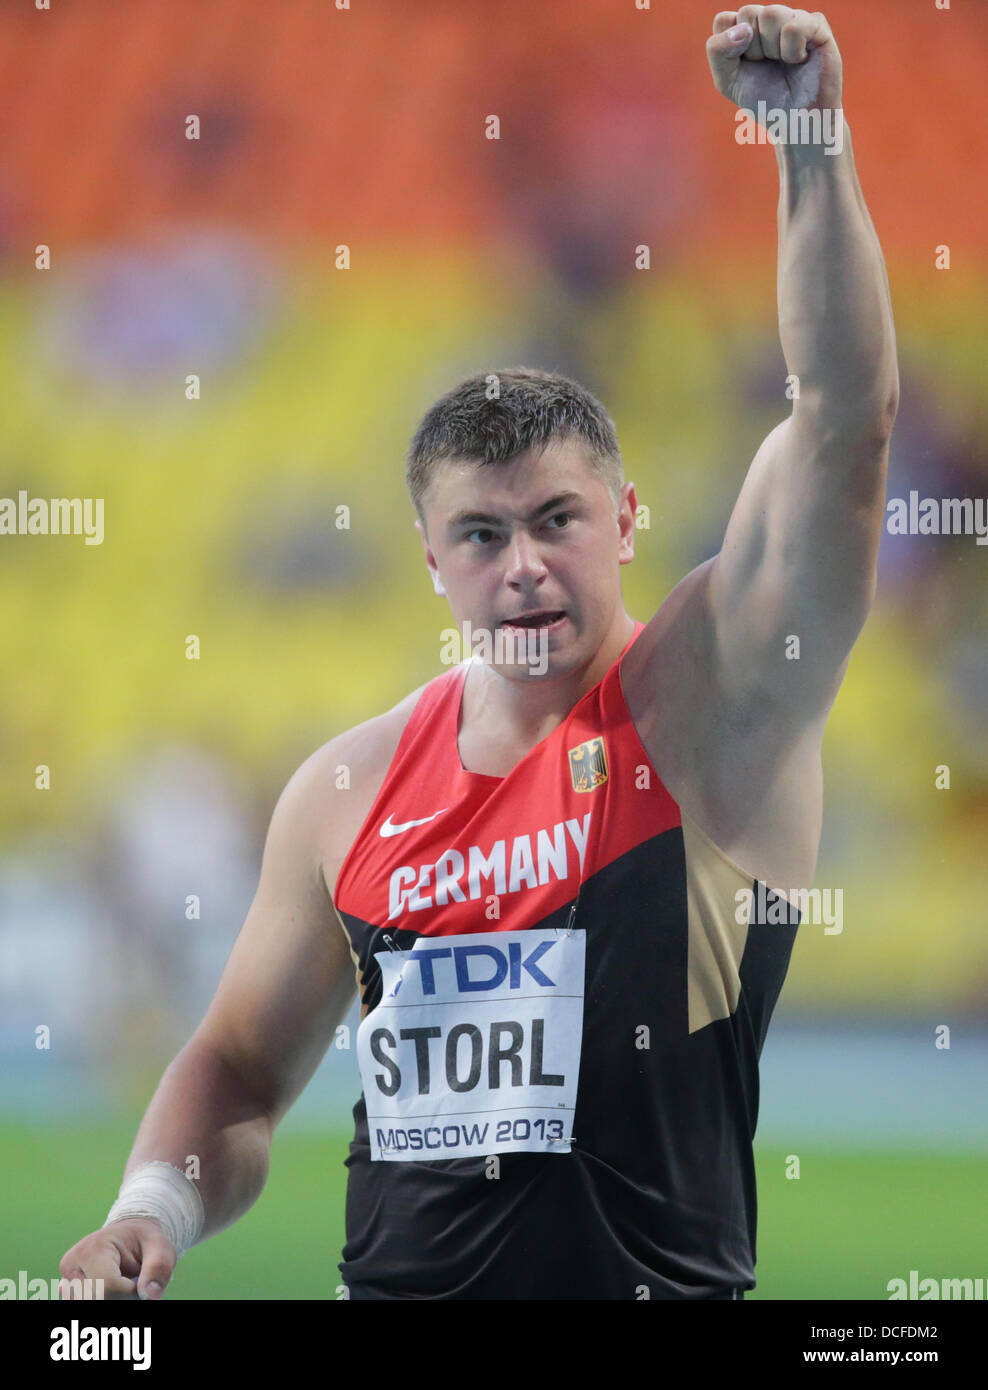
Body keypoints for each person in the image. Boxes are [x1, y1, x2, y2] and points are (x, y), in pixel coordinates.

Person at [59, 6, 898, 1301]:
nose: (522, 564)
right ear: (430, 556)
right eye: (481, 531)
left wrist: (811, 143)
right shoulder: (345, 792)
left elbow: (845, 422)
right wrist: (149, 1205)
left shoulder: (711, 697)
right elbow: (235, 1061)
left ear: (624, 521)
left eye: (558, 520)